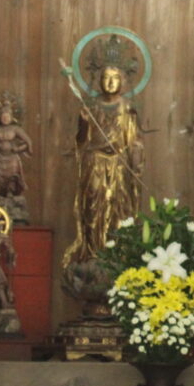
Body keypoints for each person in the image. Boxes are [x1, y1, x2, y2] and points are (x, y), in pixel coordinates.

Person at [62, 64, 143, 271]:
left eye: (114, 78)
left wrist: (135, 161)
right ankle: (93, 252)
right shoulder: (90, 107)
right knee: (94, 206)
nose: (110, 82)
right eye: (106, 77)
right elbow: (80, 140)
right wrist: (84, 123)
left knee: (117, 207)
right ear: (100, 81)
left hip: (118, 163)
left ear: (121, 81)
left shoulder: (127, 108)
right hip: (95, 161)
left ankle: (116, 254)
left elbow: (134, 140)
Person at [0, 101, 34, 199]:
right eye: (3, 116)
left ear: (12, 117)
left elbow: (28, 142)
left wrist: (18, 149)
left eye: (7, 116)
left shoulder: (16, 129)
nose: (5, 119)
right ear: (0, 117)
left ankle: (10, 192)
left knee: (12, 176)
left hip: (12, 157)